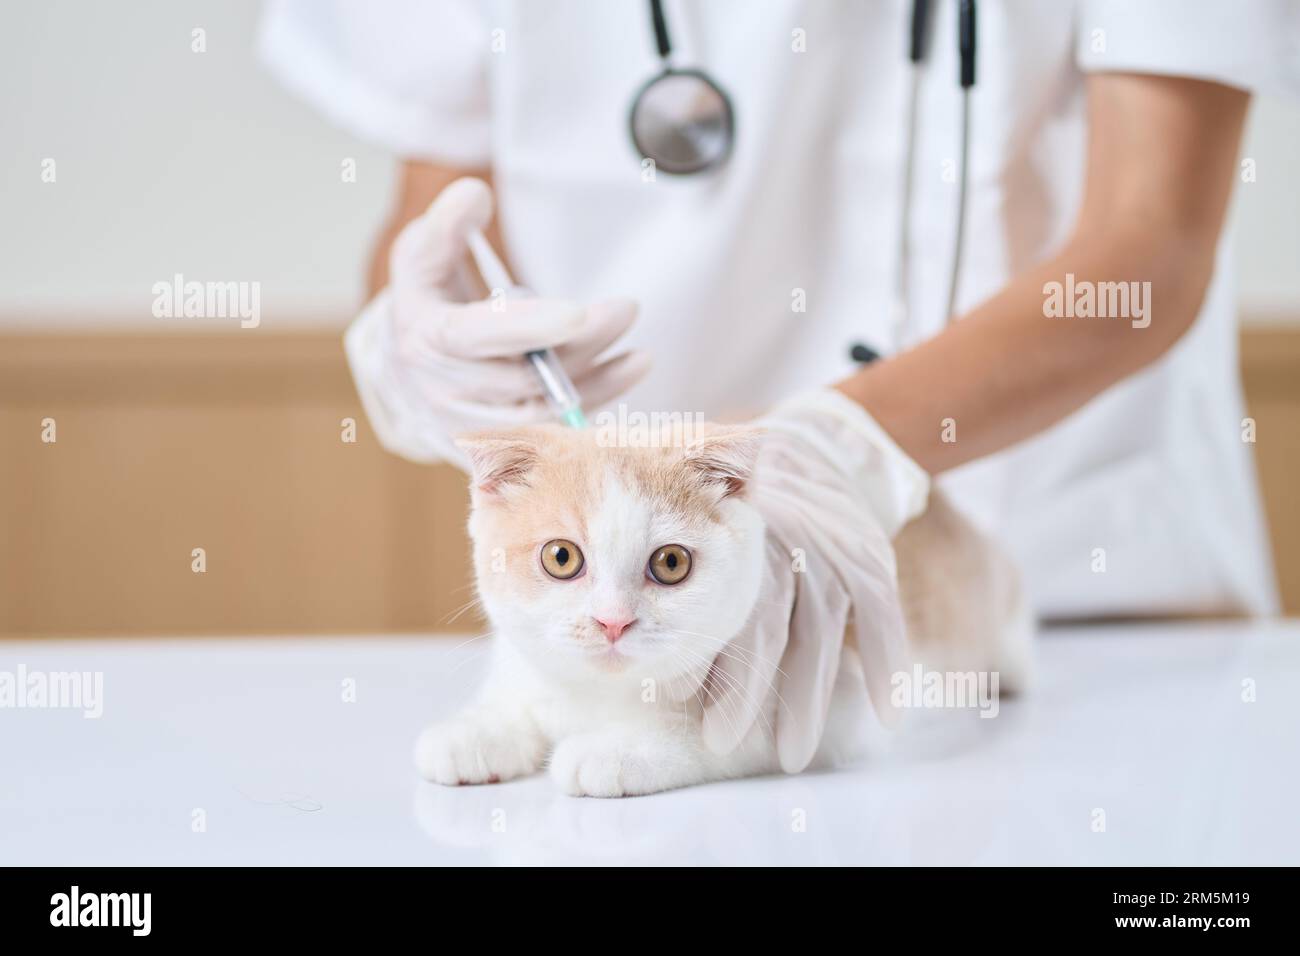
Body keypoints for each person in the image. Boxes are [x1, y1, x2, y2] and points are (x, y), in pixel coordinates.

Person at [259, 0, 1292, 770]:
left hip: (1083, 593)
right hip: (653, 612)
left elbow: (1147, 244)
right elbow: (440, 204)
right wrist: (424, 334)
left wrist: (837, 443)